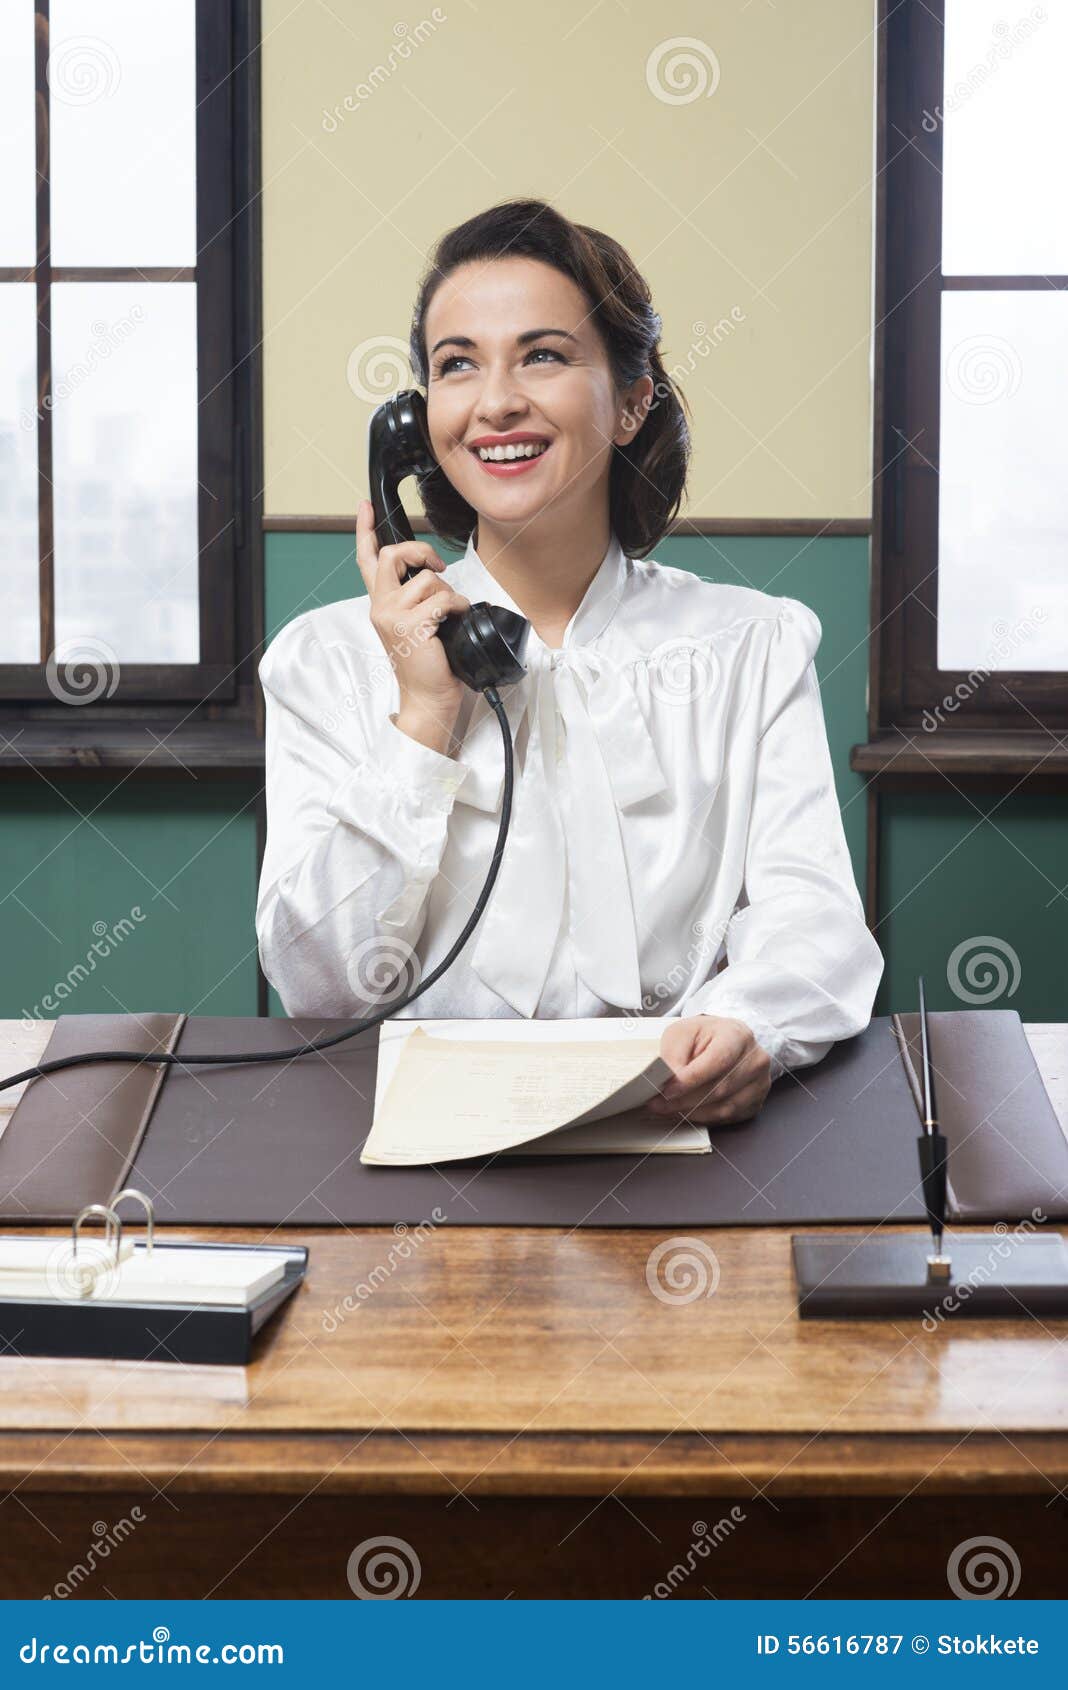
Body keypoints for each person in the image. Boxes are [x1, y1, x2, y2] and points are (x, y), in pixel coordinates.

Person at [256, 198, 883, 1128]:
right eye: (456, 364)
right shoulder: (326, 661)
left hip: (675, 1131)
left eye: (542, 356)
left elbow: (813, 914)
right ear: (417, 423)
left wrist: (752, 1024)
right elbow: (320, 987)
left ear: (631, 403)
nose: (495, 401)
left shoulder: (751, 644)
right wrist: (423, 721)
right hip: (421, 1145)